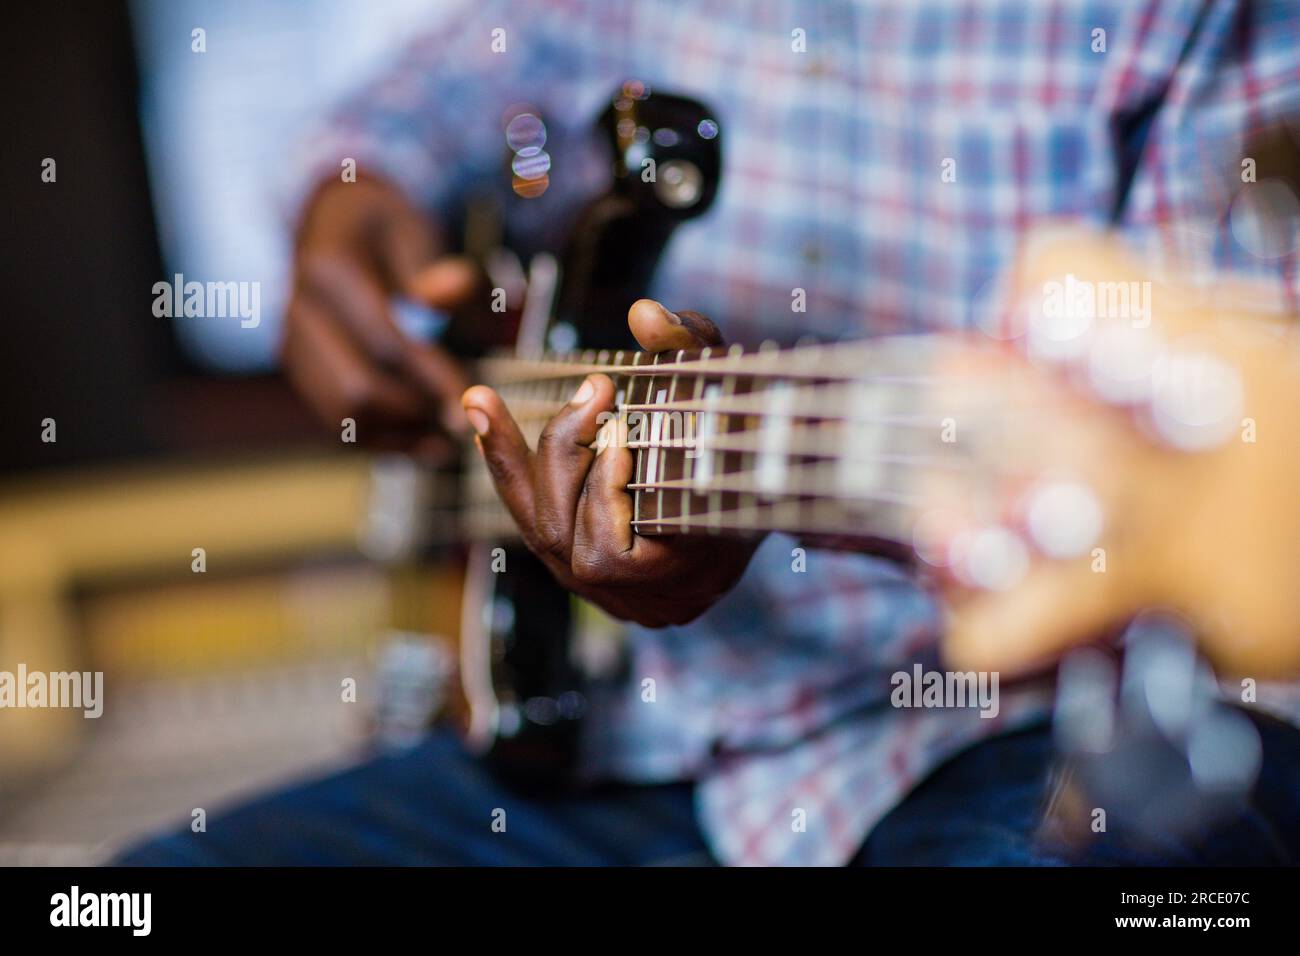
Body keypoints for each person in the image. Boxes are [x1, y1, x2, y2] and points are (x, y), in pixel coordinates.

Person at [120, 0, 1300, 866]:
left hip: (1023, 740)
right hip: (632, 733)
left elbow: (1221, 440)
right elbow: (486, 55)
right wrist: (350, 188)